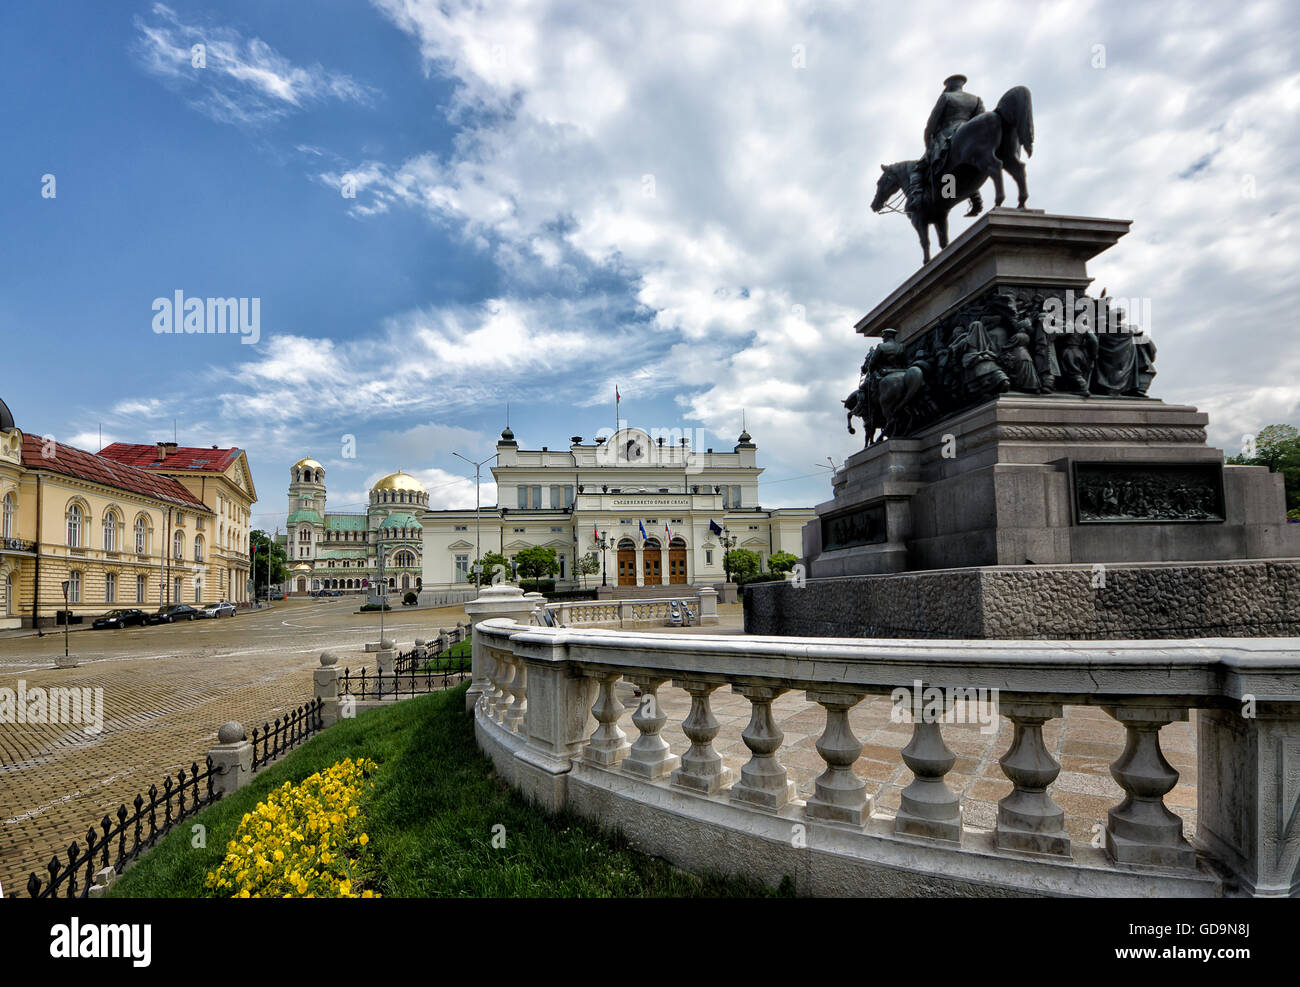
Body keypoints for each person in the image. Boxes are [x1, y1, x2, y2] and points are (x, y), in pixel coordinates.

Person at [909, 75, 986, 216]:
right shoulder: (976, 99)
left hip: (946, 134)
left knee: (918, 169)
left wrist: (929, 146)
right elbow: (980, 121)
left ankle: (916, 199)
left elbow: (931, 124)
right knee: (968, 164)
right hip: (969, 136)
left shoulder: (946, 98)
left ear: (949, 85)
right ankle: (976, 199)